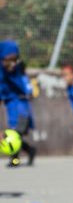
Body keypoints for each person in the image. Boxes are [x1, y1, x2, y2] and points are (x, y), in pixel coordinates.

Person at [0, 40, 37, 168]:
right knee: (13, 133)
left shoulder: (18, 69)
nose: (11, 62)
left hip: (21, 105)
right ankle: (30, 150)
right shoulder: (2, 72)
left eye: (14, 59)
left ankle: (15, 160)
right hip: (11, 106)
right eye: (8, 59)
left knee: (15, 133)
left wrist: (29, 90)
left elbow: (26, 85)